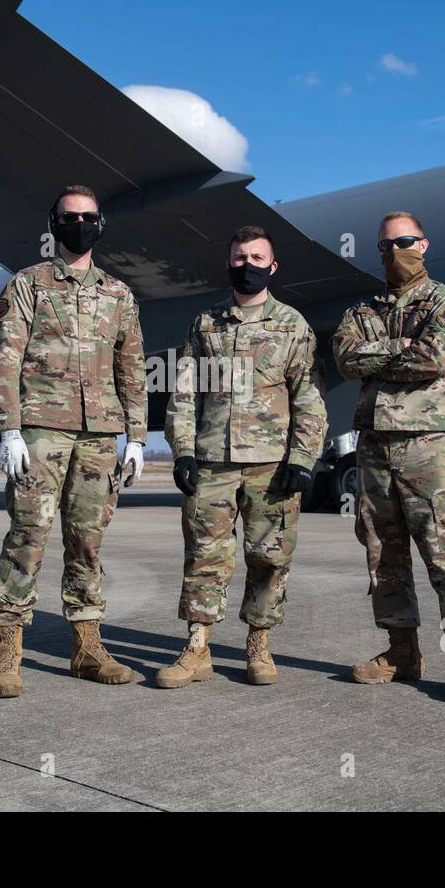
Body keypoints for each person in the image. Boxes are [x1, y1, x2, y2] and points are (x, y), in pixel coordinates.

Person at [0, 185, 147, 698]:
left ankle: (87, 647)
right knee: (28, 535)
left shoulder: (118, 294)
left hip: (100, 434)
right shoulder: (28, 284)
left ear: (101, 224)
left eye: (88, 217)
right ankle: (9, 649)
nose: (80, 224)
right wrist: (9, 429)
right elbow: (6, 359)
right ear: (54, 224)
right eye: (70, 217)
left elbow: (131, 368)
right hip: (41, 430)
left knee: (87, 540)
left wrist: (137, 438)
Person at [332, 212, 445, 703]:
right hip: (373, 445)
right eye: (386, 245)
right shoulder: (363, 309)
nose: (395, 251)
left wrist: (379, 354)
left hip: (427, 445)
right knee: (384, 554)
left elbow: (437, 358)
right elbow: (344, 358)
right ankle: (402, 652)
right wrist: (403, 347)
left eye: (404, 241)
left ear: (423, 245)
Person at [159, 225, 326, 688]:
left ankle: (258, 645)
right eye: (239, 258)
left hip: (272, 465)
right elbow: (185, 393)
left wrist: (303, 458)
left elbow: (308, 396)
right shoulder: (206, 323)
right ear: (228, 263)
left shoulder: (292, 325)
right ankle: (197, 648)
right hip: (212, 461)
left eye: (256, 258)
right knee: (204, 555)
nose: (247, 265)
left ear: (272, 267)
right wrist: (183, 451)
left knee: (269, 557)